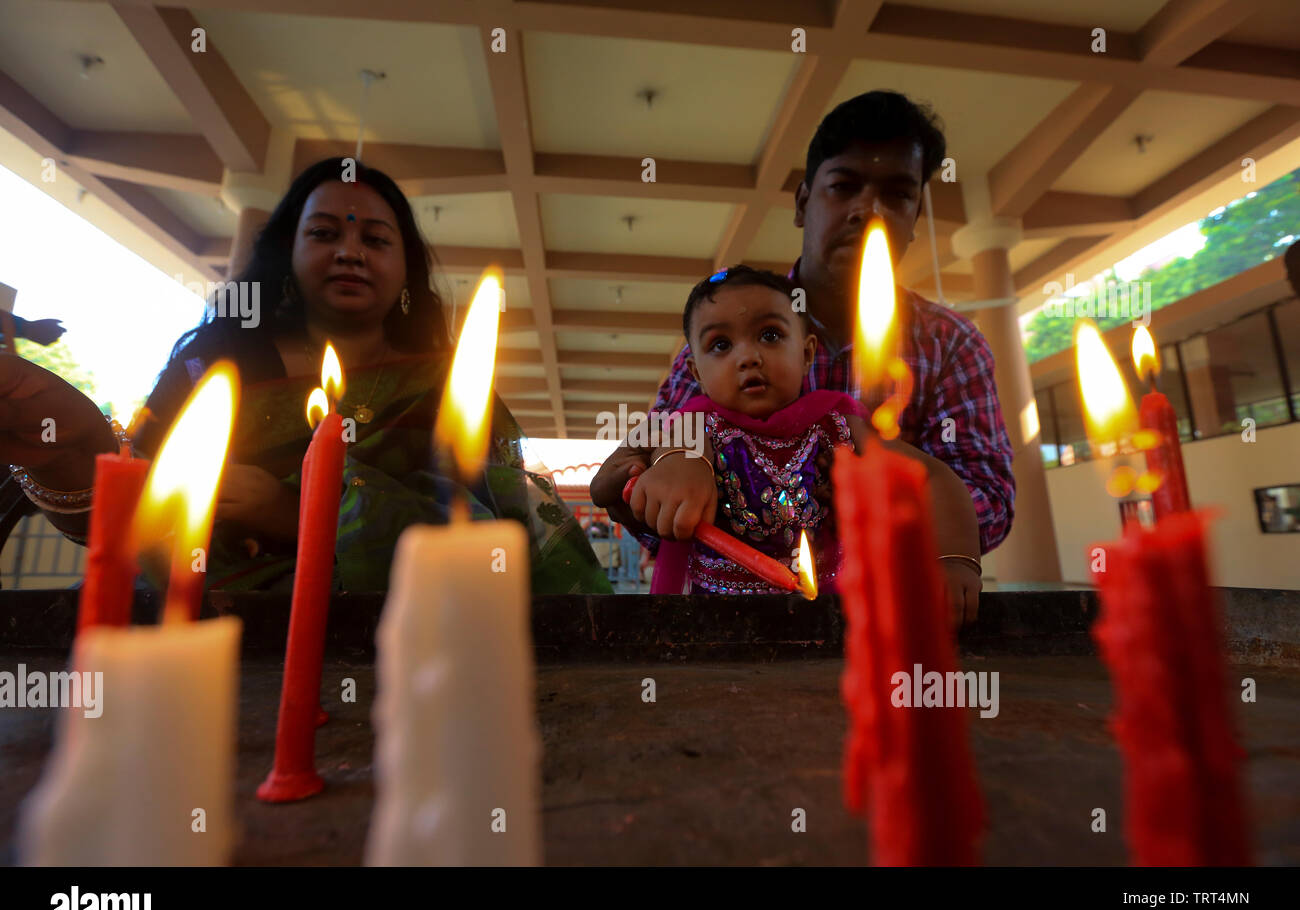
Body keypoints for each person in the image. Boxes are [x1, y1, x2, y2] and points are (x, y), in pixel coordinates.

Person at [1, 157, 611, 595]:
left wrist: (294, 512)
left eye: (375, 238)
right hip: (206, 648)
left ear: (407, 271)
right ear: (286, 255)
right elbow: (124, 523)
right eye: (323, 233)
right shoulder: (211, 369)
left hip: (413, 645)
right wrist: (68, 456)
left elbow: (504, 538)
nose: (350, 252)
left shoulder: (449, 389)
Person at [591, 90, 1014, 626]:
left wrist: (860, 510)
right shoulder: (718, 339)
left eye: (898, 194)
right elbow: (652, 465)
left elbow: (988, 503)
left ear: (915, 215)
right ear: (801, 202)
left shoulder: (952, 344)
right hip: (724, 627)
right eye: (844, 187)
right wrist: (677, 472)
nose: (870, 211)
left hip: (885, 619)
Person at [595, 266, 869, 594]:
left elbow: (925, 475)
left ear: (807, 354)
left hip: (833, 608)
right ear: (696, 373)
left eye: (770, 335)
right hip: (722, 618)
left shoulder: (836, 422)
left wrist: (946, 557)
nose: (748, 357)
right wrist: (673, 462)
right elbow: (655, 456)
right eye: (721, 344)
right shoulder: (695, 425)